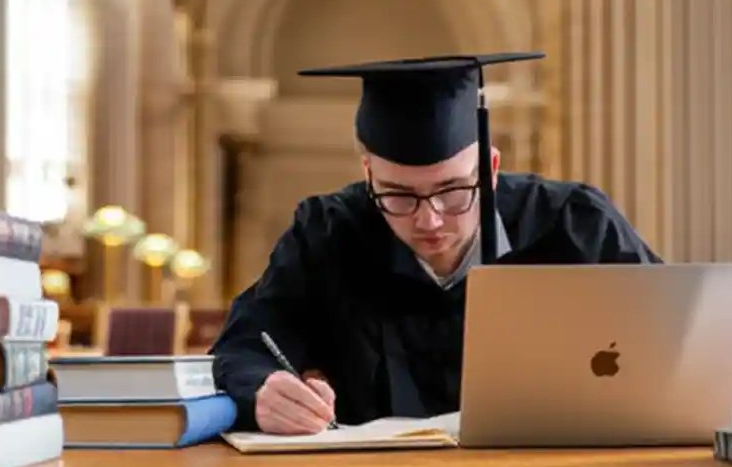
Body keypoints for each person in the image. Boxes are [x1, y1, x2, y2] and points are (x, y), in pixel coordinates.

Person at [210, 52, 662, 435]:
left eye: (452, 191)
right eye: (398, 194)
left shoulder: (573, 223)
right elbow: (240, 348)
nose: (429, 219)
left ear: (490, 166)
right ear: (368, 174)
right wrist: (263, 391)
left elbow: (672, 333)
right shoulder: (325, 233)